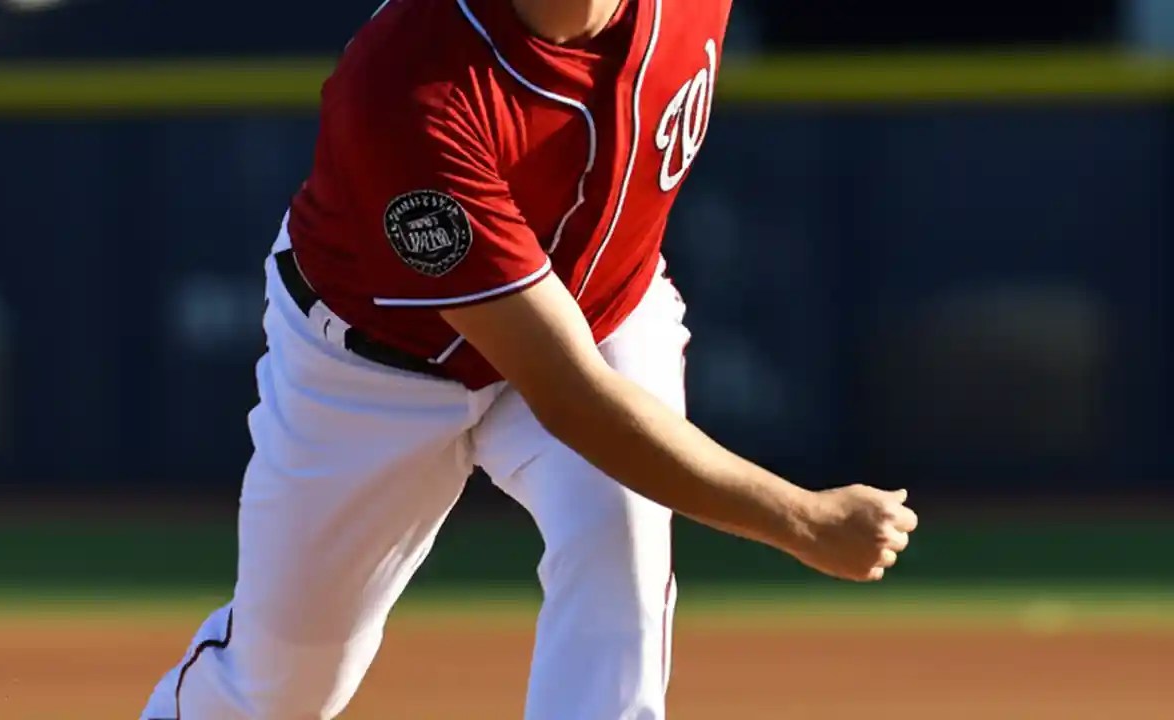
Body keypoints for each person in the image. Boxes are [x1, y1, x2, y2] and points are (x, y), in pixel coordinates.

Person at [141, 0, 918, 718]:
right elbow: (571, 397)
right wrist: (802, 519)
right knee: (281, 686)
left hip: (604, 307)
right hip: (374, 364)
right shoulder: (411, 84)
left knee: (619, 557)